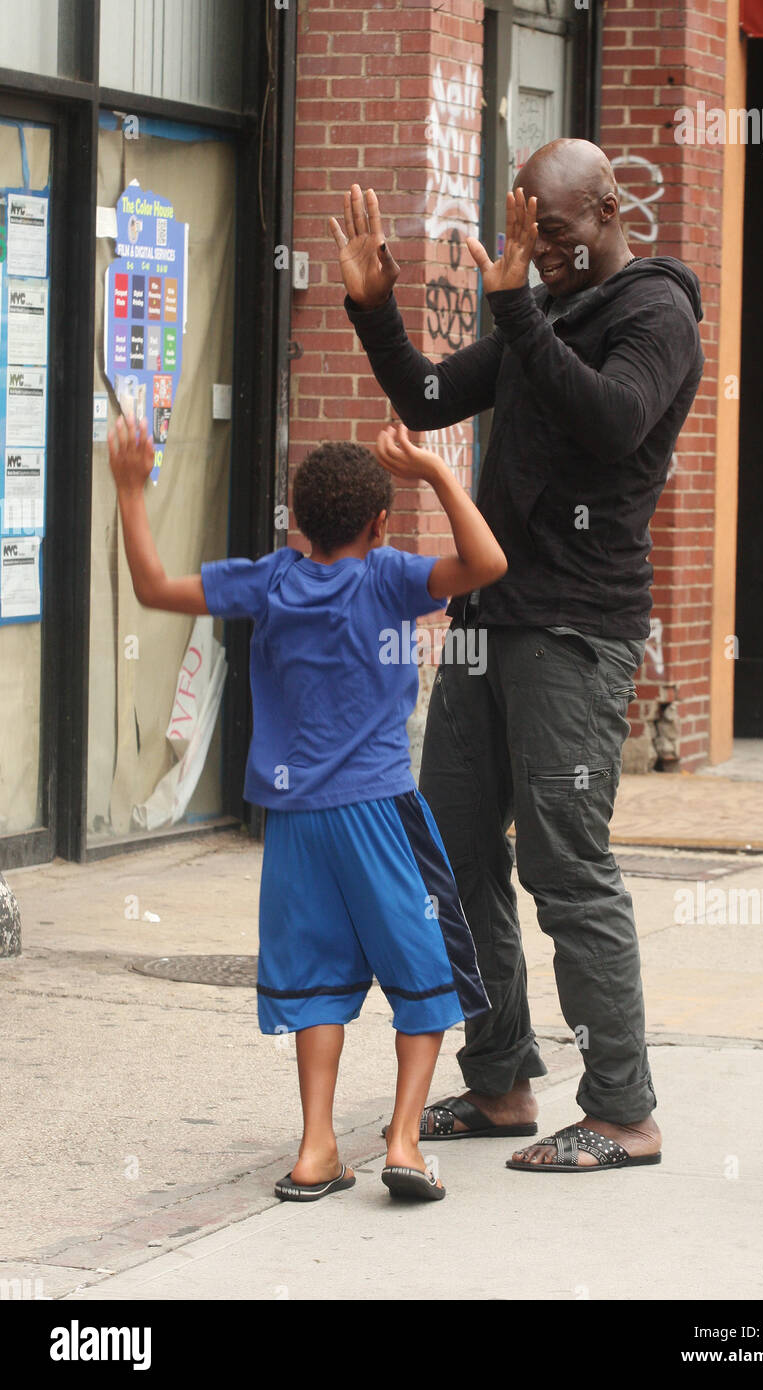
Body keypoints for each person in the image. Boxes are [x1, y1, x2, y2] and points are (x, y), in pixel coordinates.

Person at [329, 138, 705, 1172]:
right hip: (493, 620)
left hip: (574, 630)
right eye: (527, 237)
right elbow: (430, 400)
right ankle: (498, 1081)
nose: (538, 255)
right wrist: (374, 310)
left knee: (562, 866)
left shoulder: (652, 312)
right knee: (447, 852)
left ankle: (623, 1110)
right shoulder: (548, 305)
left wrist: (518, 311)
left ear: (611, 211)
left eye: (555, 237)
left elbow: (614, 420)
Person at [107, 415, 505, 1201]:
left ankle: (316, 1149)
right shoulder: (388, 576)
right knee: (426, 975)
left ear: (297, 521)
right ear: (379, 523)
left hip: (292, 822)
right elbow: (487, 561)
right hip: (379, 813)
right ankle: (401, 1142)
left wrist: (129, 490)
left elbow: (154, 588)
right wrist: (433, 470)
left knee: (319, 978)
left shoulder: (269, 580)